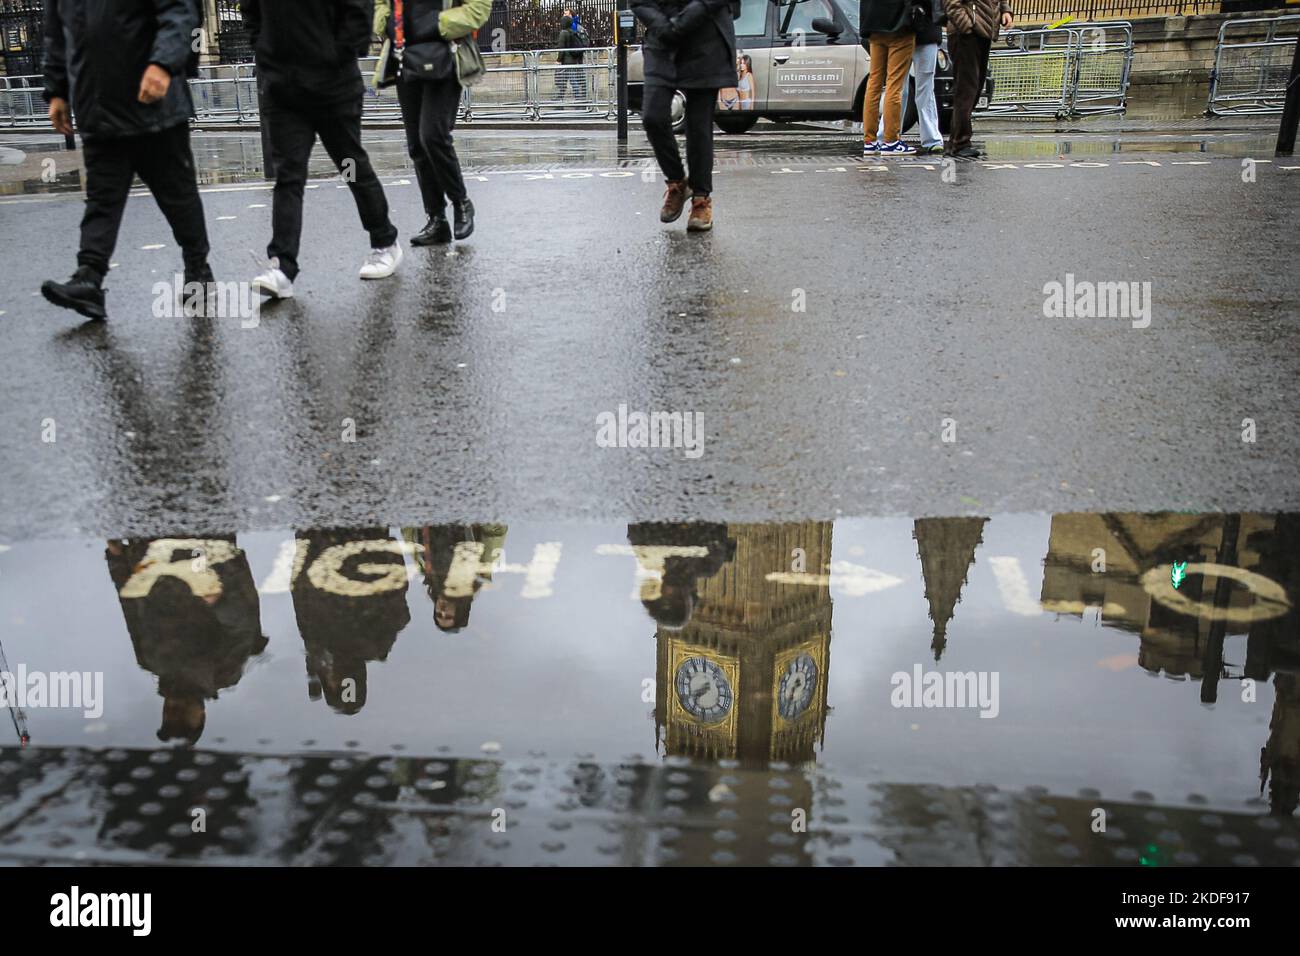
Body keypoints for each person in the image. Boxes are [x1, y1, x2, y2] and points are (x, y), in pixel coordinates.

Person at [39, 0, 212, 321]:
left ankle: (197, 267)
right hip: (98, 108)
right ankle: (89, 277)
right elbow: (57, 37)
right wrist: (57, 91)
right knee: (101, 201)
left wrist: (163, 63)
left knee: (177, 197)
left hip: (155, 107)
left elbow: (179, 12)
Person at [241, 0, 401, 299]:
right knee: (288, 175)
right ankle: (282, 267)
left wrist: (335, 54)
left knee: (351, 166)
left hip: (334, 87)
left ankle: (385, 242)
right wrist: (264, 50)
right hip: (285, 91)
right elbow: (250, 10)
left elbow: (359, 12)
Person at [388, 0, 493, 245]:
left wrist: (436, 23)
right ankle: (437, 220)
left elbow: (479, 8)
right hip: (406, 54)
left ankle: (461, 202)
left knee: (432, 135)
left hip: (447, 53)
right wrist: (386, 24)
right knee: (416, 144)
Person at [632, 0, 739, 233]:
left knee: (698, 127)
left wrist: (691, 15)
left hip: (707, 39)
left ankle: (701, 199)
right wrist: (663, 26)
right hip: (663, 41)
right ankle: (677, 181)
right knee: (653, 117)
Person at [945, 0, 1013, 158]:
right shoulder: (968, 28)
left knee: (973, 89)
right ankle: (960, 143)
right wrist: (967, 26)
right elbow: (952, 4)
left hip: (982, 32)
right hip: (966, 34)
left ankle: (956, 142)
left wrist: (1005, 11)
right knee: (967, 90)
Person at [874, 0, 943, 155]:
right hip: (921, 30)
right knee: (917, 89)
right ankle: (931, 139)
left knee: (899, 88)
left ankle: (886, 136)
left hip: (903, 30)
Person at [859, 0, 917, 156]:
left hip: (874, 25)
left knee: (874, 82)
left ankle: (870, 141)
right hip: (900, 26)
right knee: (894, 84)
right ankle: (891, 140)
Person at [555, 14, 586, 102]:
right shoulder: (572, 31)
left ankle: (578, 97)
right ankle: (560, 96)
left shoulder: (563, 33)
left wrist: (558, 60)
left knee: (572, 79)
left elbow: (561, 48)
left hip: (567, 60)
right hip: (573, 59)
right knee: (565, 79)